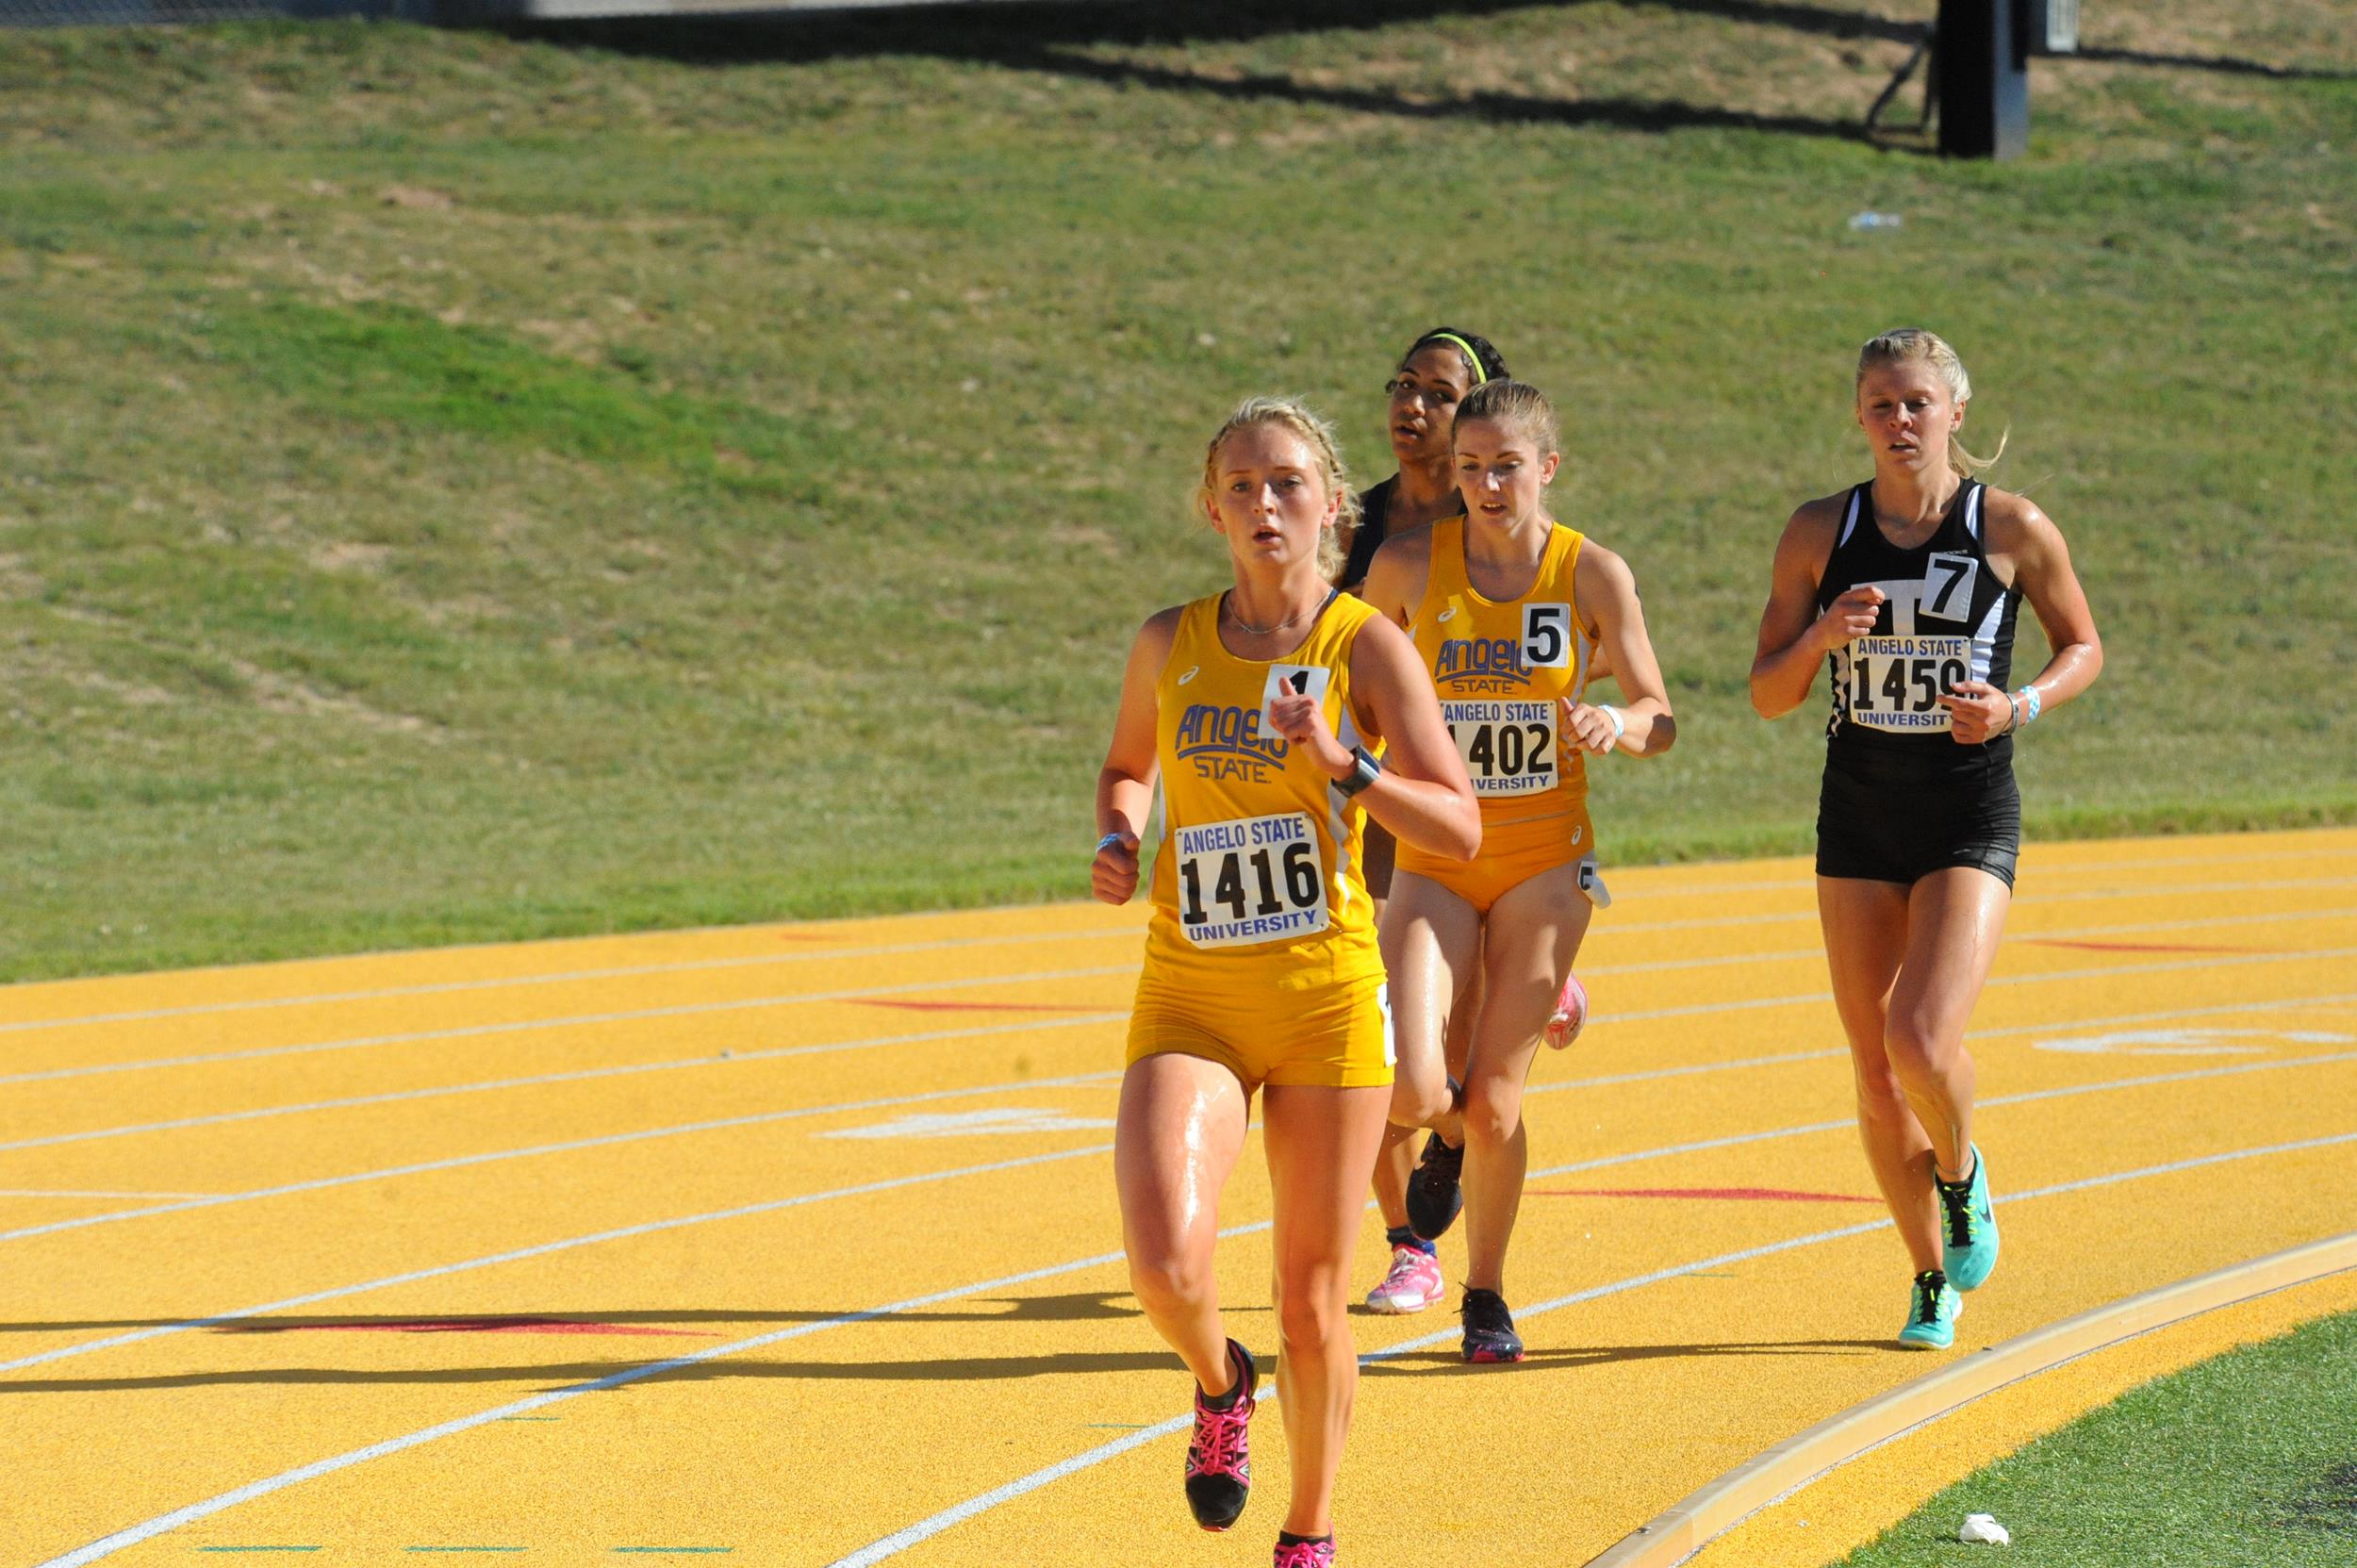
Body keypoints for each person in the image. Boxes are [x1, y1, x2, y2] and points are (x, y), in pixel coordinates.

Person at [1094, 397, 1480, 1567]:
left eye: (1291, 484)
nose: (1268, 506)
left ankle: (1307, 1532)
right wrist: (1120, 834)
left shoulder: (1365, 644)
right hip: (1193, 995)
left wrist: (1348, 766)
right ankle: (1220, 1382)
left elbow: (1456, 823)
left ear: (1331, 503)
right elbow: (1125, 767)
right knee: (1164, 1264)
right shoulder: (1170, 639)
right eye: (1245, 487)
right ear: (1211, 506)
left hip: (1321, 999)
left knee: (1312, 1301)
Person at [1749, 328, 2102, 1350]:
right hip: (1857, 812)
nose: (1898, 422)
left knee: (1918, 1037)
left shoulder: (2012, 526)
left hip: (1964, 807)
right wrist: (1819, 637)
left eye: (1915, 403)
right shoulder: (1821, 530)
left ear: (1953, 409)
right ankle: (1926, 1278)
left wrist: (2019, 703)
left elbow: (2082, 643)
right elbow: (1768, 695)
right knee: (1870, 1069)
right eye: (1878, 405)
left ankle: (1960, 1174)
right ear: (1857, 418)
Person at [1360, 378, 1675, 1362]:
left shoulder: (1591, 575)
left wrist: (1614, 722)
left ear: (1547, 467)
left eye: (1507, 465)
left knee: (1494, 1099)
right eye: (1469, 467)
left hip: (1545, 860)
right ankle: (1442, 1137)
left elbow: (1659, 711)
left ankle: (1484, 1293)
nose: (1488, 484)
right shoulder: (1407, 567)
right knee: (1414, 1088)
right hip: (1437, 855)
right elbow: (1354, 694)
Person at [1339, 327, 1517, 1319]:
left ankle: (1536, 976)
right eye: (1402, 386)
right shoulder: (1348, 526)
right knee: (1367, 1048)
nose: (1411, 406)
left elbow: (1569, 644)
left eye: (1437, 393)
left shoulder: (1498, 527)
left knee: (1455, 1059)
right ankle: (1409, 1245)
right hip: (1366, 810)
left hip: (1482, 822)